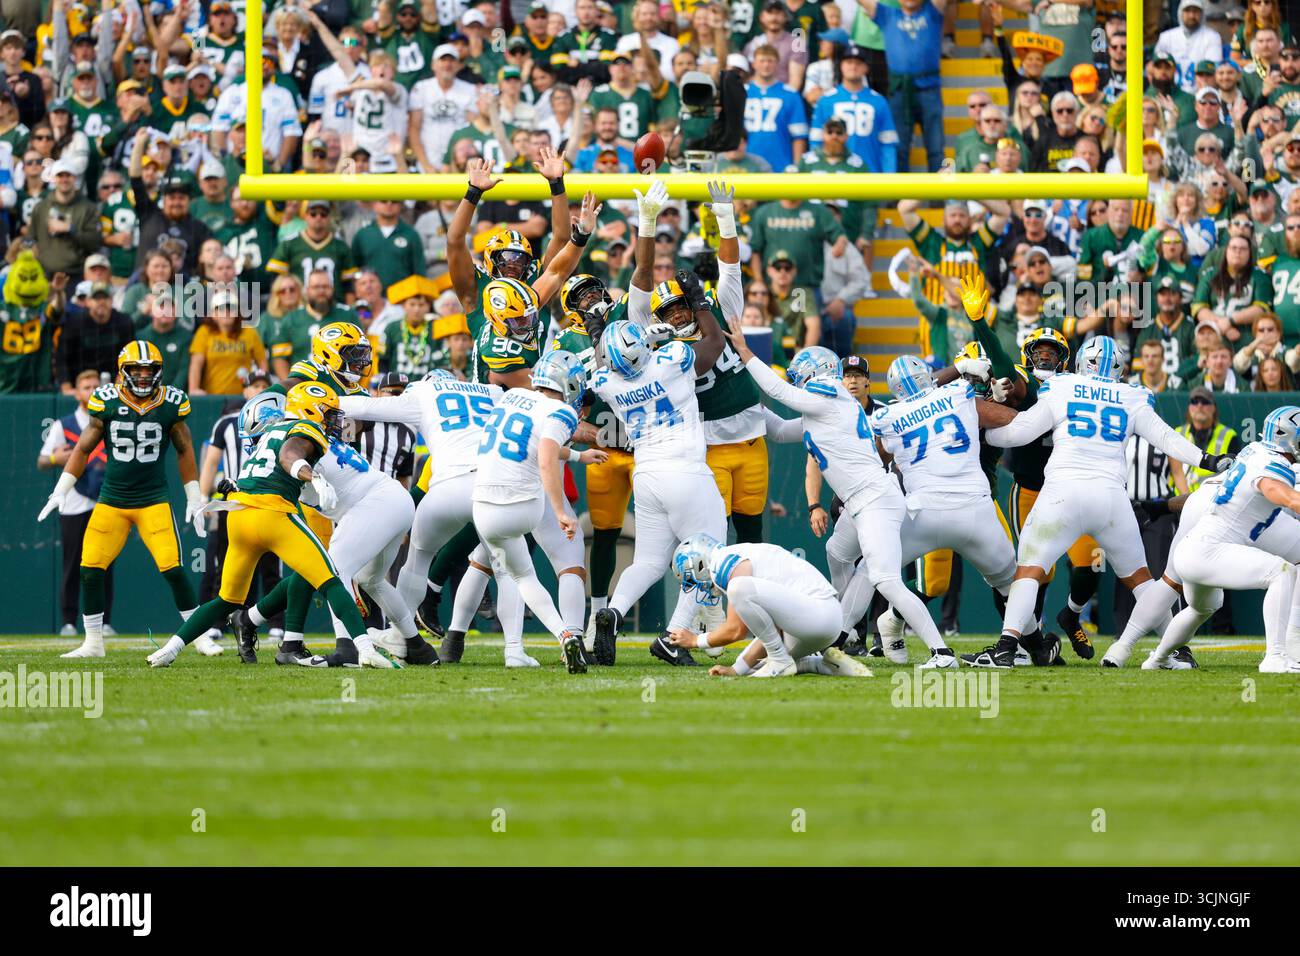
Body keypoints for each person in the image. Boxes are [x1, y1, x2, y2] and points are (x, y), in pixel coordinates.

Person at [969, 336, 1233, 669]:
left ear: (1082, 362)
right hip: (1111, 498)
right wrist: (1206, 459)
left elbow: (1019, 432)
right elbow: (1166, 437)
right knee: (1141, 580)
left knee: (1029, 571)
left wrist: (983, 434)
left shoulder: (1062, 387)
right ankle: (1176, 652)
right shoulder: (1131, 395)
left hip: (1063, 492)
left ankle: (1008, 646)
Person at [148, 383, 379, 669]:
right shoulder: (307, 427)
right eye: (328, 412)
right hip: (272, 515)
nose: (332, 419)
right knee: (331, 581)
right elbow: (289, 458)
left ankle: (169, 650)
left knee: (227, 599)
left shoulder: (268, 431)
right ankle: (365, 648)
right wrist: (315, 479)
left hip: (239, 515)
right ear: (310, 409)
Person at [37, 341, 209, 659]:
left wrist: (194, 498)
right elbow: (83, 449)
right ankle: (92, 643)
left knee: (172, 568)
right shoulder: (105, 401)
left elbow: (185, 450)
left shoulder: (172, 402)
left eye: (150, 370)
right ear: (122, 371)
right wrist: (61, 490)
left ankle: (198, 637)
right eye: (137, 370)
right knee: (90, 568)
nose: (143, 377)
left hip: (152, 499)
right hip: (112, 500)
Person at [589, 287, 728, 666]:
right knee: (708, 557)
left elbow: (604, 368)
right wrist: (699, 300)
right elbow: (712, 344)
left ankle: (613, 614)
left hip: (646, 474)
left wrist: (598, 335)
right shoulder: (670, 359)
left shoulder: (609, 383)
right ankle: (673, 638)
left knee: (648, 563)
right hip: (685, 469)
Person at [472, 350, 607, 673]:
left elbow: (532, 443)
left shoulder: (514, 396)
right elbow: (545, 456)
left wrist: (576, 456)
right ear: (568, 383)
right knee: (543, 567)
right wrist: (561, 511)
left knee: (520, 576)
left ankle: (525, 646)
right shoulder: (561, 411)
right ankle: (568, 635)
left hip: (483, 504)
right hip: (523, 505)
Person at [667, 535, 872, 678]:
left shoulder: (722, 563)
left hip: (816, 615)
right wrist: (736, 670)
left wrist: (695, 640)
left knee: (739, 587)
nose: (698, 587)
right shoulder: (741, 552)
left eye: (692, 580)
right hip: (822, 619)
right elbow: (772, 629)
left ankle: (779, 661)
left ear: (700, 563)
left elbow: (735, 630)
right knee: (753, 663)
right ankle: (823, 664)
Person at [38, 369, 114, 638]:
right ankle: (69, 621)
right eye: (85, 386)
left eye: (95, 386)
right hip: (73, 503)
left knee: (105, 565)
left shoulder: (110, 420)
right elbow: (43, 460)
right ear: (76, 391)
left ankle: (104, 622)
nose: (91, 390)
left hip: (105, 501)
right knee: (72, 565)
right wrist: (55, 459)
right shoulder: (63, 425)